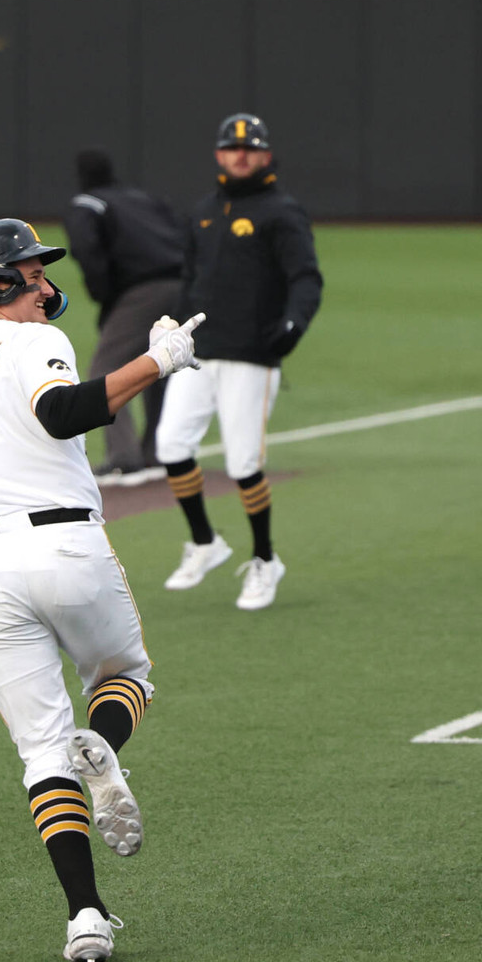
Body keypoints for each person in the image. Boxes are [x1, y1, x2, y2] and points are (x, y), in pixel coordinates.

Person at [0, 218, 204, 962]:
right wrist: (156, 360)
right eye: (29, 271)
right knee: (124, 676)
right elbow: (64, 412)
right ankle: (102, 746)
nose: (43, 284)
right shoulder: (34, 341)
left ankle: (86, 917)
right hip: (63, 540)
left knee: (40, 751)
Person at [157, 112, 323, 612]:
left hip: (253, 354)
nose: (241, 154)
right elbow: (190, 278)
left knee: (242, 463)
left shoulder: (282, 212)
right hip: (199, 353)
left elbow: (306, 279)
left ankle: (265, 560)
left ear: (266, 155)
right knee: (170, 444)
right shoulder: (204, 210)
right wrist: (177, 323)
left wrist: (293, 324)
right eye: (232, 147)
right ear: (219, 155)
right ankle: (206, 543)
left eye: (250, 148)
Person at [61, 148, 187, 483]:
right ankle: (157, 452)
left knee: (107, 367)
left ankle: (123, 457)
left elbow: (87, 249)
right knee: (161, 363)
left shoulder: (87, 203)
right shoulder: (143, 198)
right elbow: (185, 233)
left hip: (142, 288)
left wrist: (103, 294)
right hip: (182, 284)